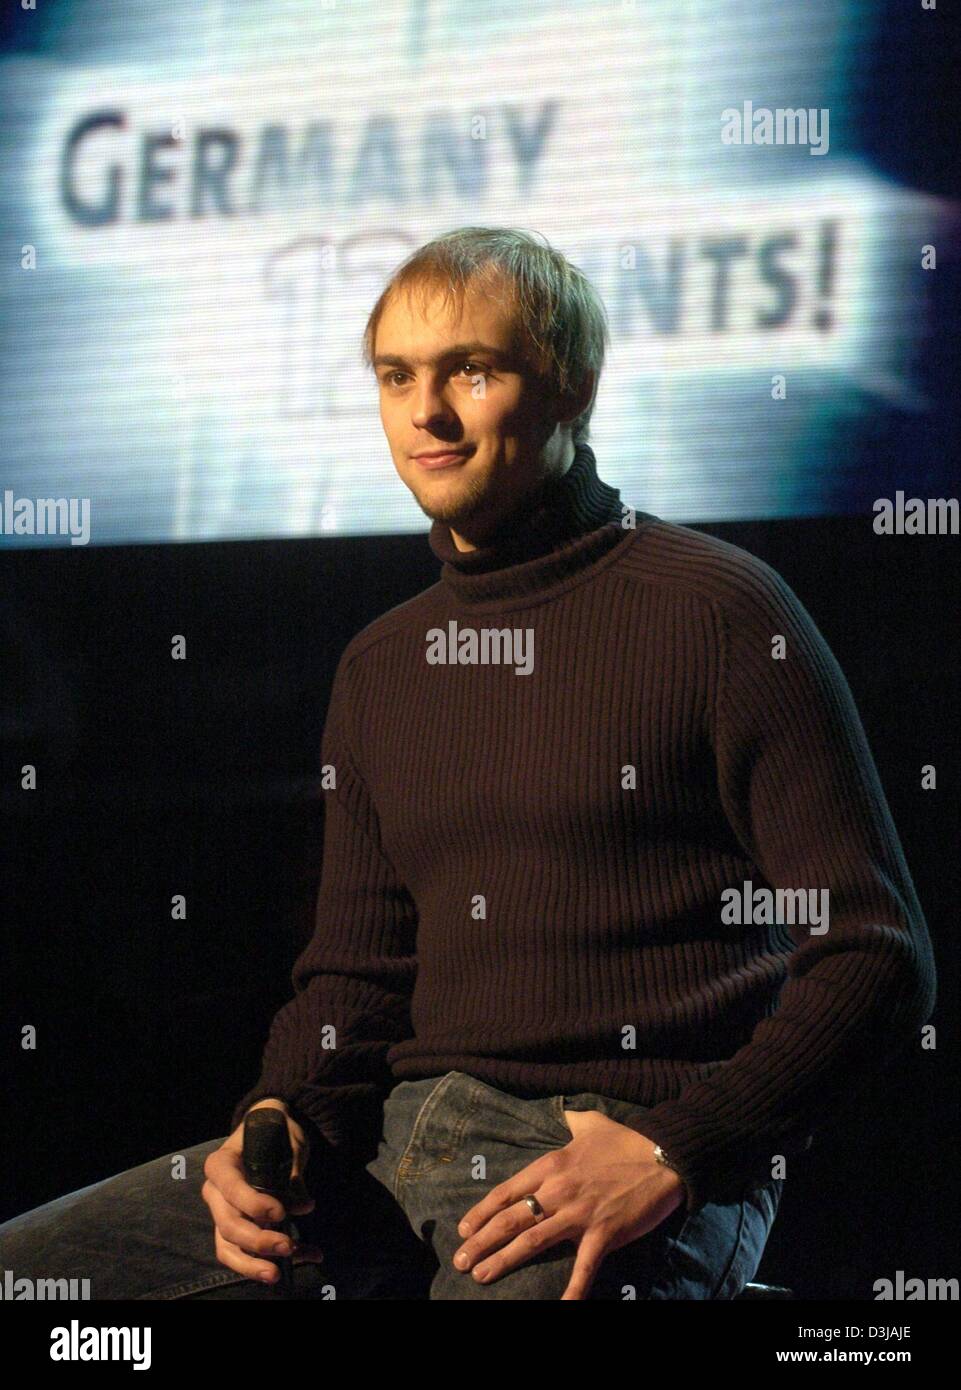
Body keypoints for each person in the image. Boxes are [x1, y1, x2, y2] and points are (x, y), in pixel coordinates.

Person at [0, 227, 936, 1300]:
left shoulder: (720, 613)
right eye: (397, 376)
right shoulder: (382, 663)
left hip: (611, 1143)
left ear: (572, 387)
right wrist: (282, 1112)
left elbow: (875, 954)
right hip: (391, 1148)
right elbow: (355, 976)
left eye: (471, 372)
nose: (425, 414)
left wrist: (683, 1146)